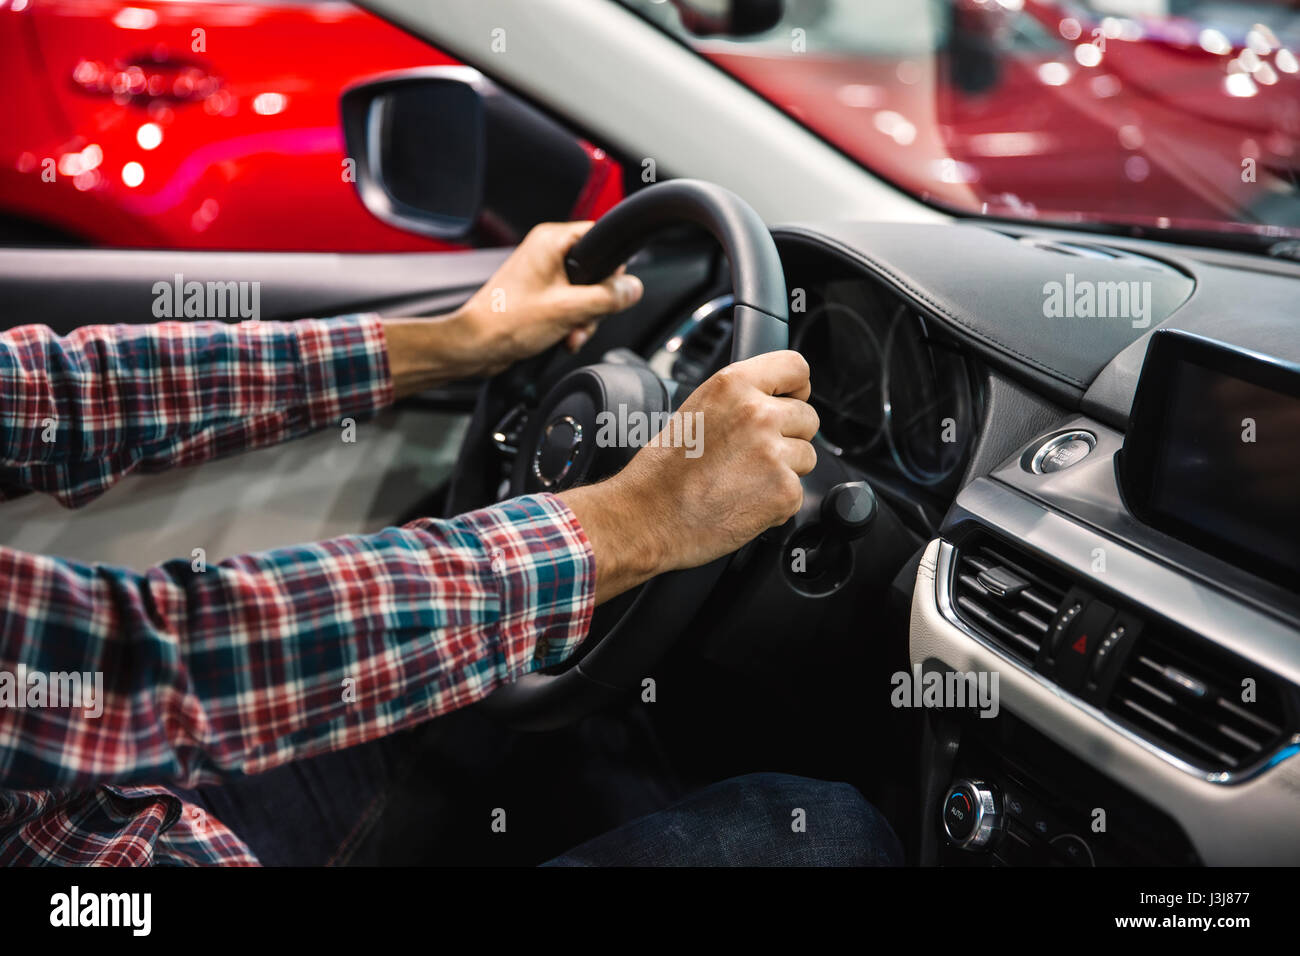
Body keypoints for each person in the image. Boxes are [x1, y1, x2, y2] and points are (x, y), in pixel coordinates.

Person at [0, 222, 900, 866]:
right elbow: (155, 667)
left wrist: (453, 344)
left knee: (525, 714)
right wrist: (640, 519)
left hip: (105, 811)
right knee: (823, 834)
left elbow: (66, 398)